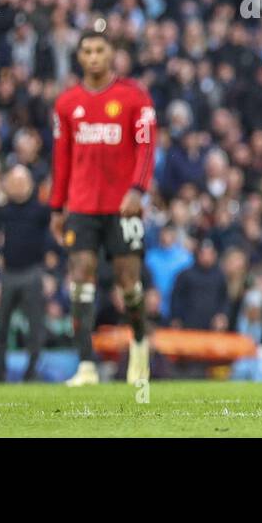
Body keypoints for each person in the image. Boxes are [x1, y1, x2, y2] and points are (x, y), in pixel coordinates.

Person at [50, 29, 157, 386]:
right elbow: (61, 157)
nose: (93, 56)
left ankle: (140, 345)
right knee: (80, 275)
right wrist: (56, 206)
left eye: (100, 50)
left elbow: (146, 147)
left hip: (122, 207)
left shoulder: (134, 97)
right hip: (81, 206)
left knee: (129, 282)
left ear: (111, 54)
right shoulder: (67, 103)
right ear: (79, 57)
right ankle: (86, 365)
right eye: (87, 51)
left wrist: (137, 191)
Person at [0, 166, 51, 381]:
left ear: (30, 184)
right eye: (13, 181)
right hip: (8, 274)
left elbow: (52, 242)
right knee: (1, 327)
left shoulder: (41, 212)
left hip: (33, 273)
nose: (18, 186)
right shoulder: (2, 212)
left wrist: (50, 272)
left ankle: (32, 371)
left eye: (22, 181)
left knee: (35, 327)